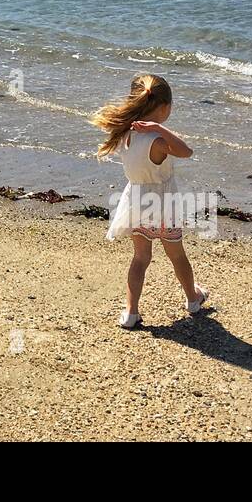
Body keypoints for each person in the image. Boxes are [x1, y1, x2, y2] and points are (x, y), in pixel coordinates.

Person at [90, 74, 209, 329]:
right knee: (177, 257)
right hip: (162, 205)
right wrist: (159, 128)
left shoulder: (125, 135)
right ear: (165, 108)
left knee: (140, 258)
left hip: (136, 202)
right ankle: (193, 298)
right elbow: (186, 151)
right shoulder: (157, 140)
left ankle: (131, 311)